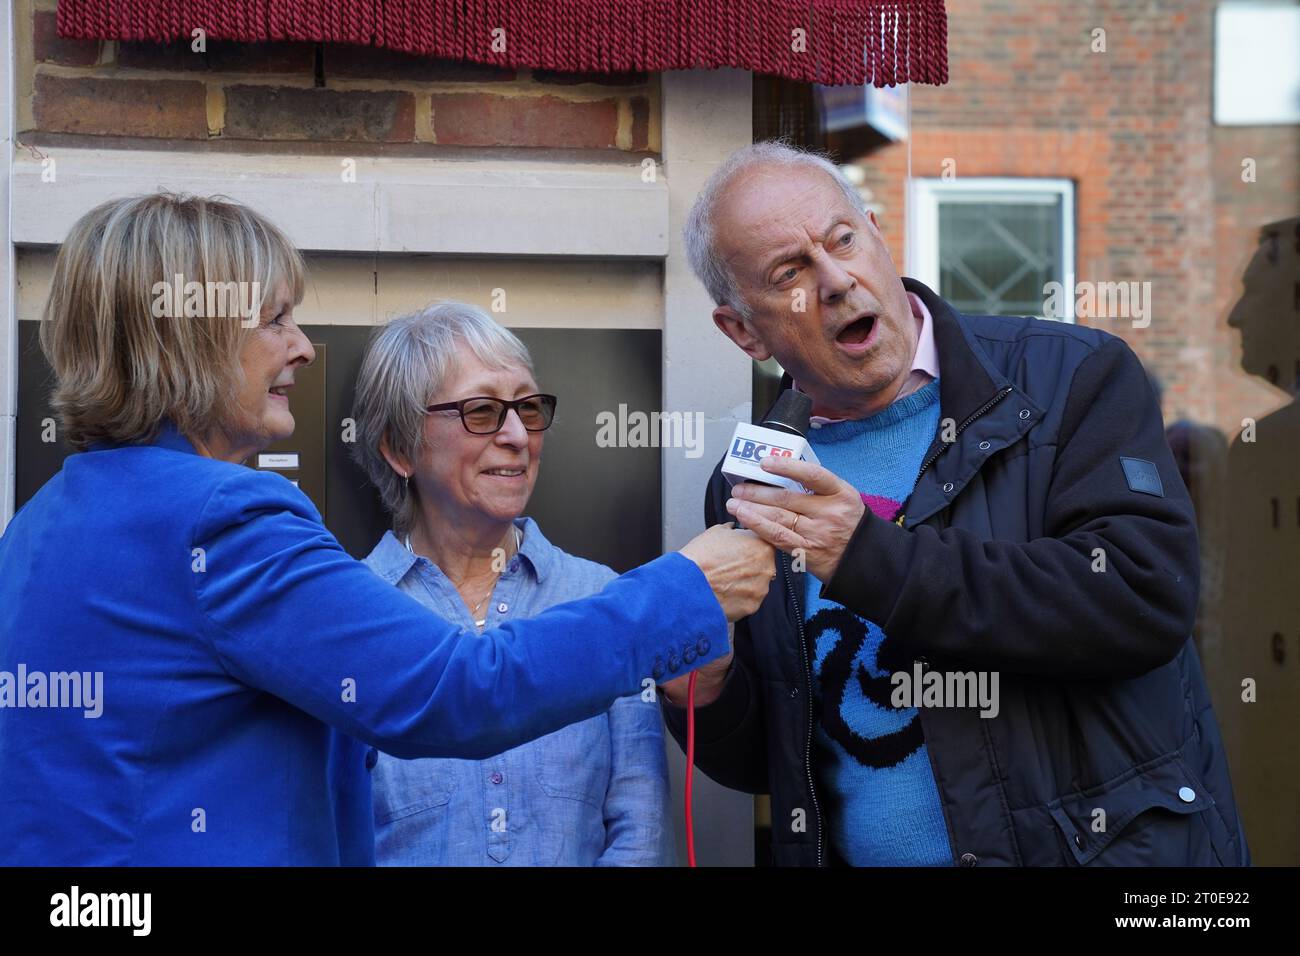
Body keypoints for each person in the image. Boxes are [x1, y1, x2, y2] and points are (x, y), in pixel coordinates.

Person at [0, 193, 773, 866]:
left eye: (527, 408)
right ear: (189, 339)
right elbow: (460, 691)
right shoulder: (224, 517)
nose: (303, 347)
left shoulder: (37, 527)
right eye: (275, 319)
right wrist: (686, 593)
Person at [659, 141, 1249, 867]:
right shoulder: (753, 480)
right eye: (790, 272)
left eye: (843, 239)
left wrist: (869, 558)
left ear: (877, 232)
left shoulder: (1072, 381)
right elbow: (775, 758)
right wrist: (705, 696)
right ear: (743, 330)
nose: (838, 279)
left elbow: (1143, 597)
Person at [350, 302, 669, 866]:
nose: (519, 435)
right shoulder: (348, 618)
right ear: (400, 449)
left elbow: (639, 829)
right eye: (482, 411)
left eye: (527, 407)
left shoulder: (603, 598)